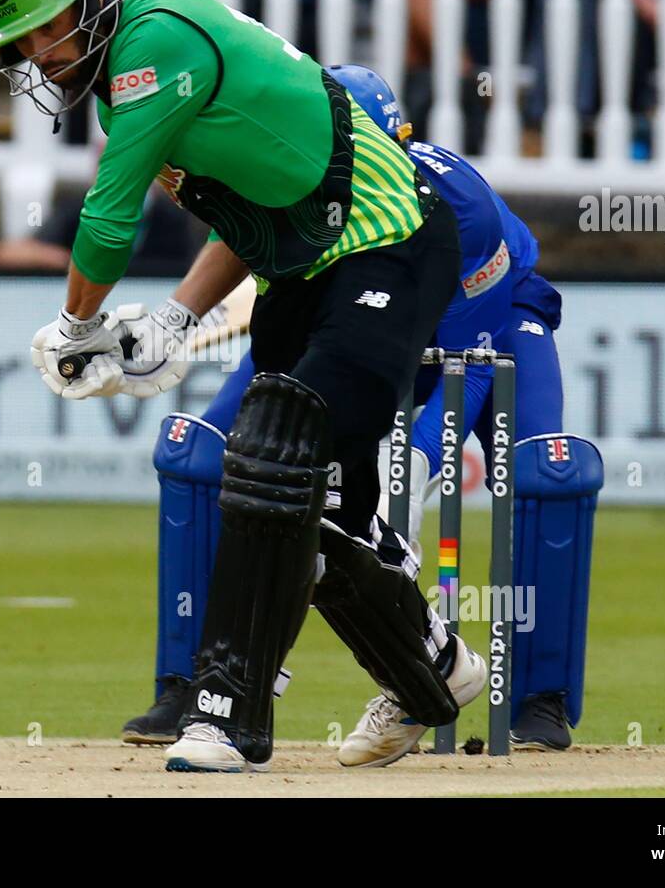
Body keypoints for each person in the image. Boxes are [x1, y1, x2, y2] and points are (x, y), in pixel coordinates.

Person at [0, 0, 484, 773]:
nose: (40, 53)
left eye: (46, 26)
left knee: (273, 449)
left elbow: (108, 216)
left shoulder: (155, 43)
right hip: (300, 270)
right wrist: (177, 316)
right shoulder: (126, 83)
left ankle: (226, 717)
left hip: (386, 240)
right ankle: (432, 668)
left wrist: (75, 327)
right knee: (319, 501)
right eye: (23, 44)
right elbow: (248, 214)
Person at [121, 65, 604, 761]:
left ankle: (532, 699)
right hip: (337, 310)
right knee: (204, 454)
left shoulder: (454, 206)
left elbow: (454, 364)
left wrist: (404, 461)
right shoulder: (291, 181)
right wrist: (176, 320)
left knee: (539, 474)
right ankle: (195, 685)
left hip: (487, 319)